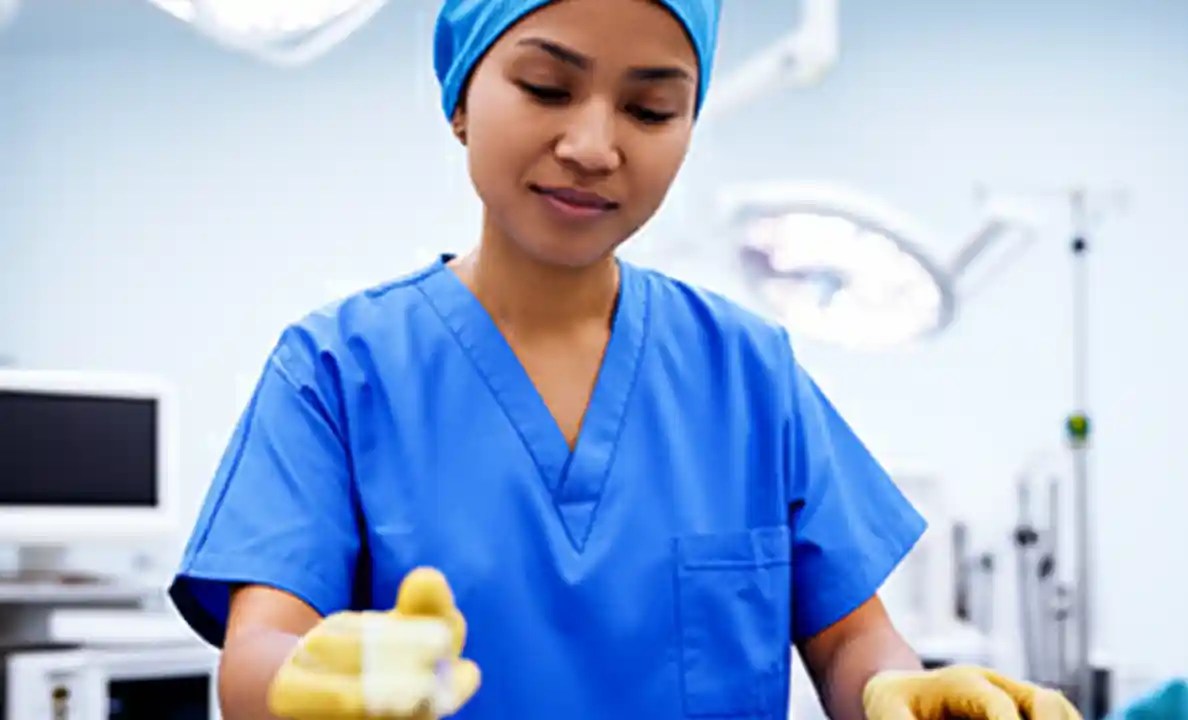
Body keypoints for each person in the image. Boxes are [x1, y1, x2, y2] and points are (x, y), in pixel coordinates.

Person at [168, 1, 1082, 718]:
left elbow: (851, 642)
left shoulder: (748, 373)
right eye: (545, 88)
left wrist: (896, 689)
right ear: (458, 98)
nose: (594, 147)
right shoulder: (338, 370)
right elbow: (255, 657)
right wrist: (304, 681)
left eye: (650, 108)